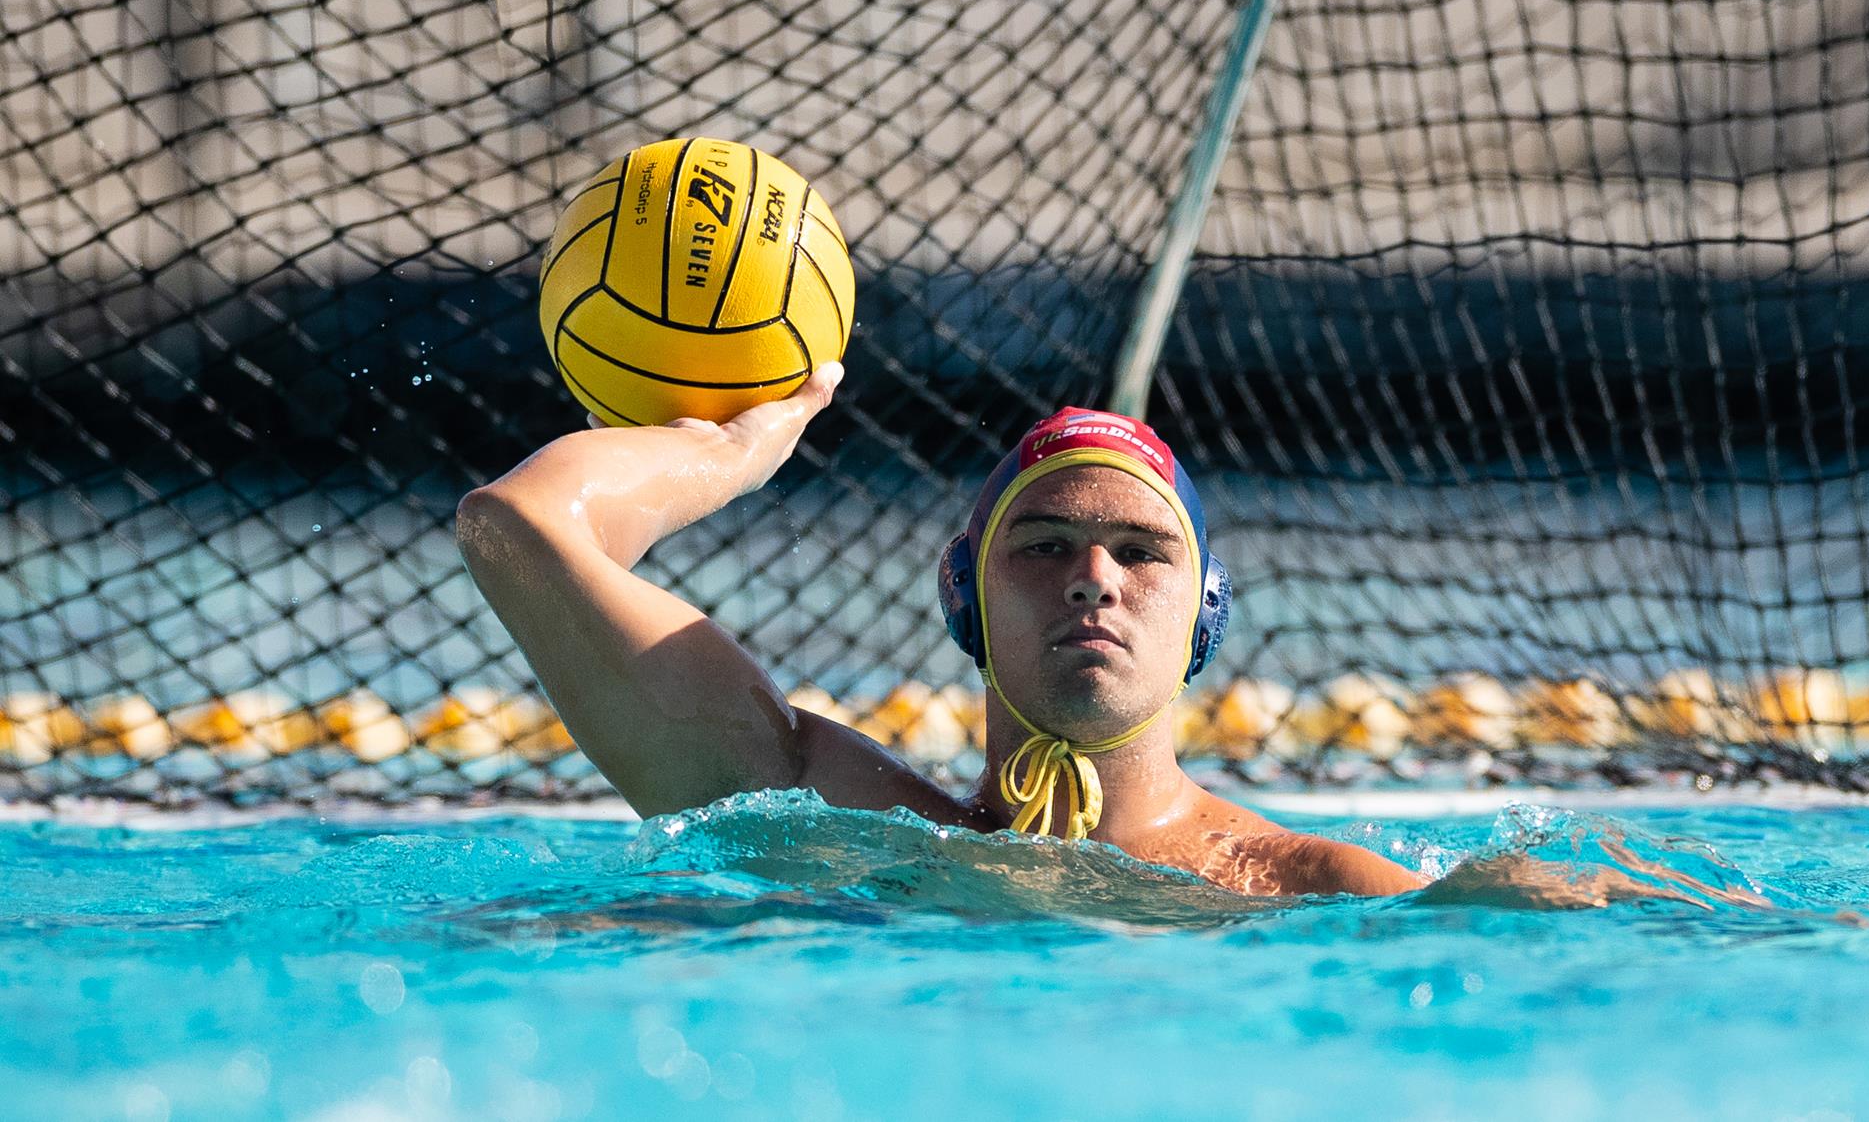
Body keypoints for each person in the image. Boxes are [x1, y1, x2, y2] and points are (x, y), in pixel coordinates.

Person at [456, 362, 1634, 900]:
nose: (1091, 581)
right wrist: (724, 455)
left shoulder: (1311, 886)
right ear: (962, 597)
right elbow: (519, 526)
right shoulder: (830, 816)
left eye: (1140, 550)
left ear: (1204, 613)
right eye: (1042, 545)